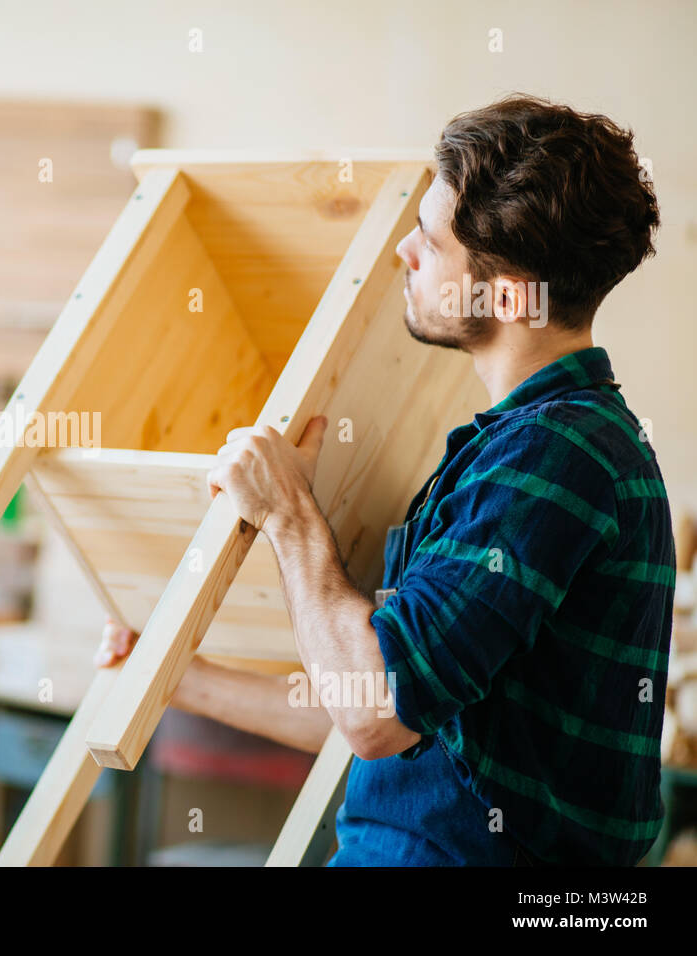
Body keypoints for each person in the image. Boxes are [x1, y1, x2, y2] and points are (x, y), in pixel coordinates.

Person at [96, 94, 673, 866]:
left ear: (504, 297)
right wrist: (173, 674)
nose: (404, 250)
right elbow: (378, 716)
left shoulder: (555, 456)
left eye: (431, 244)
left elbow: (375, 713)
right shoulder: (514, 448)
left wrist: (291, 518)